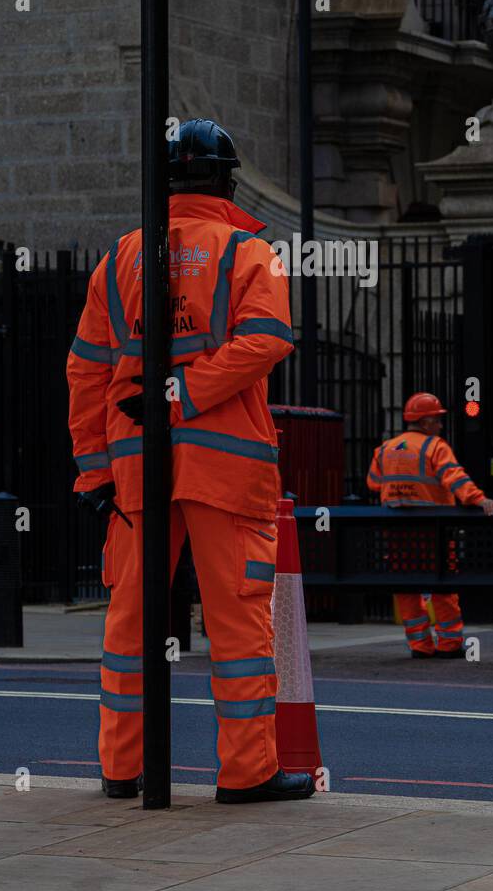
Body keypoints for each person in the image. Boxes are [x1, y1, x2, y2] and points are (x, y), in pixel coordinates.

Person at [67, 118, 315, 803]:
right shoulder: (247, 252)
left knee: (129, 623)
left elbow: (85, 372)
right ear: (228, 180)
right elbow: (267, 340)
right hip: (224, 469)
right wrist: (186, 391)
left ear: (166, 180)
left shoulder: (120, 257)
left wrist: (91, 468)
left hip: (135, 470)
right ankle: (246, 772)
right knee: (237, 621)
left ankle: (122, 767)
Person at [367, 392, 493, 657]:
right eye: (437, 420)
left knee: (406, 588)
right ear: (426, 422)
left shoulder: (385, 449)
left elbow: (373, 483)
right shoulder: (434, 446)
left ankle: (420, 645)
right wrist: (478, 499)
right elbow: (454, 478)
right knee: (442, 586)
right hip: (433, 532)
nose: (440, 426)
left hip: (396, 534)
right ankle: (449, 644)